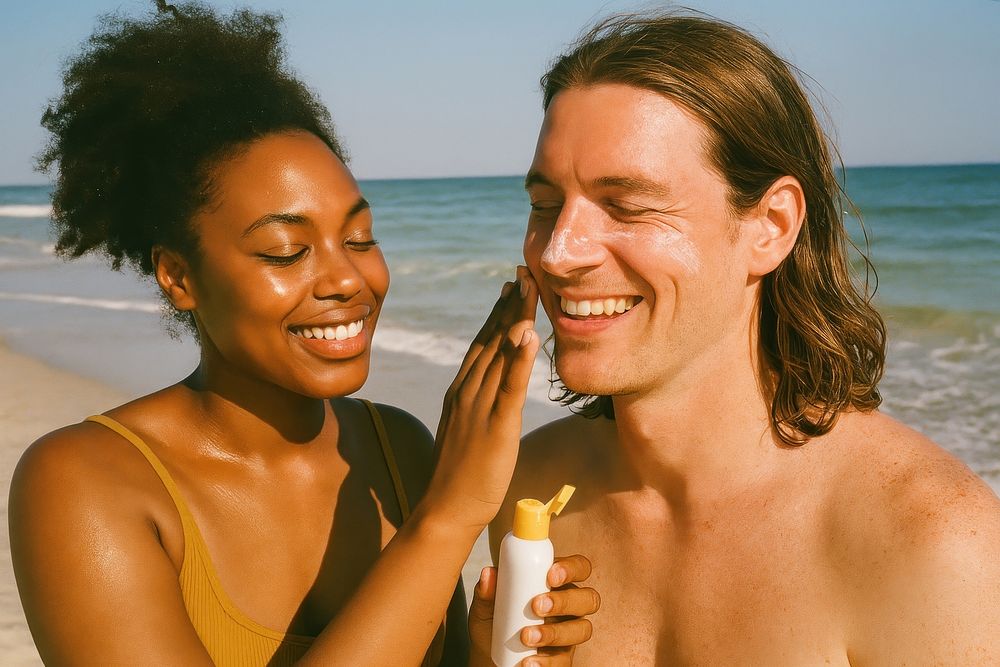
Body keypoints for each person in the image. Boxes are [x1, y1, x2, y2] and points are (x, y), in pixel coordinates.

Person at [8, 3, 599, 665]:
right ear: (178, 276)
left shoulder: (399, 450)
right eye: (287, 251)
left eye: (359, 238)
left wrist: (499, 652)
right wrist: (447, 518)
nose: (348, 278)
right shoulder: (85, 482)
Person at [493, 11, 1000, 665]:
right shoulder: (531, 485)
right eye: (543, 206)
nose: (558, 253)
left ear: (770, 225)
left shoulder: (930, 540)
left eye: (627, 205)